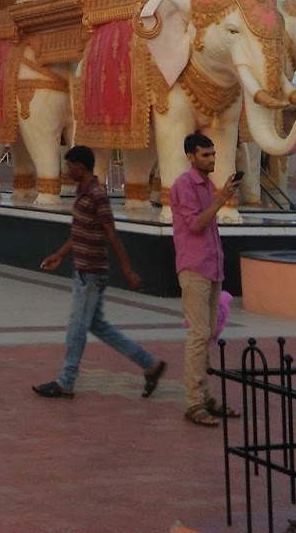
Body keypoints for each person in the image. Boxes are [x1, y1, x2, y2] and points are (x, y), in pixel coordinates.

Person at [32, 146, 167, 399]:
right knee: (98, 326)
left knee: (76, 328)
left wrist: (128, 270)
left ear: (80, 167)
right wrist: (60, 254)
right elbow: (81, 231)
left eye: (69, 165)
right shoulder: (83, 194)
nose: (67, 170)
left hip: (91, 273)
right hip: (84, 269)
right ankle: (150, 364)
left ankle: (66, 382)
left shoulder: (96, 195)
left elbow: (111, 232)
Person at [171, 132, 241, 427]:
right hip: (194, 267)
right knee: (199, 333)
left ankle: (205, 395)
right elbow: (197, 224)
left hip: (212, 267)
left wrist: (219, 194)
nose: (212, 159)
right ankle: (195, 401)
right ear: (191, 157)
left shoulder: (208, 186)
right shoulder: (184, 185)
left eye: (213, 154)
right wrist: (221, 199)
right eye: (205, 155)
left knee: (209, 332)